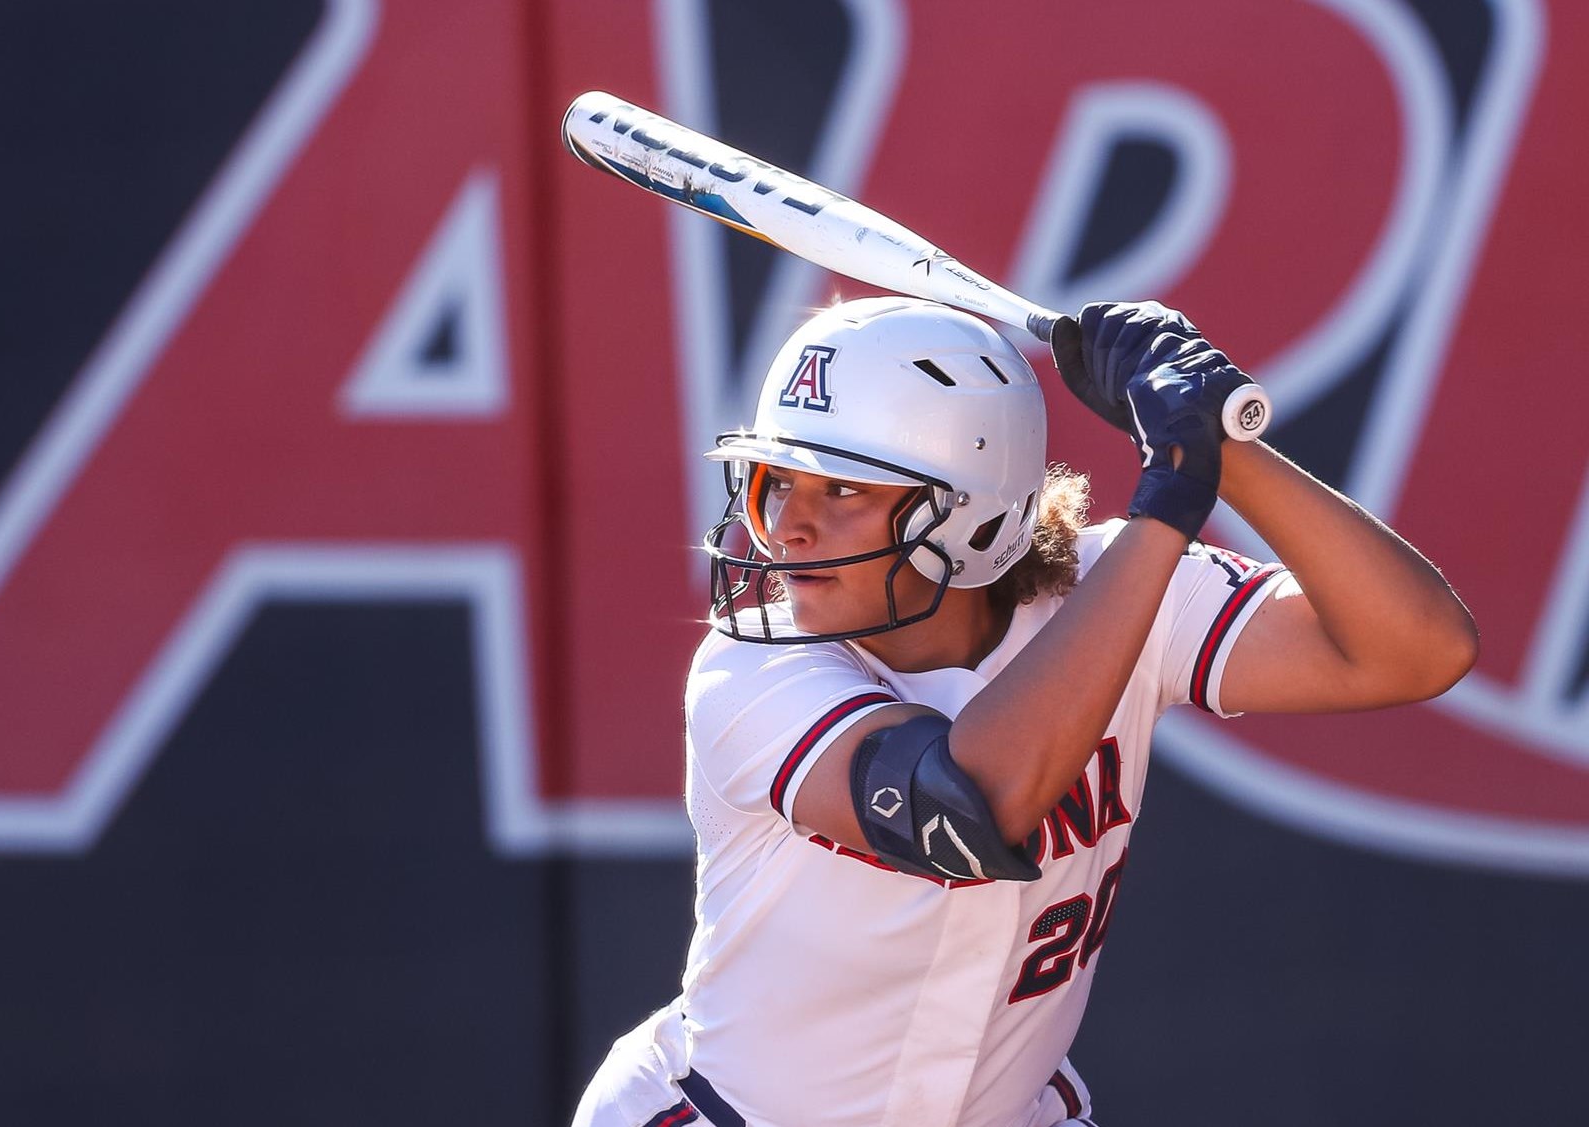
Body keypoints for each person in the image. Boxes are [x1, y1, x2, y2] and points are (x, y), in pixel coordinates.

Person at [571, 297, 1478, 1127]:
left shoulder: (1117, 588)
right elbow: (966, 806)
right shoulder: (750, 664)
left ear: (971, 512)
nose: (789, 525)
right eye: (776, 480)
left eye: (841, 488)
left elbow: (1420, 648)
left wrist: (1216, 446)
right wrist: (1169, 504)